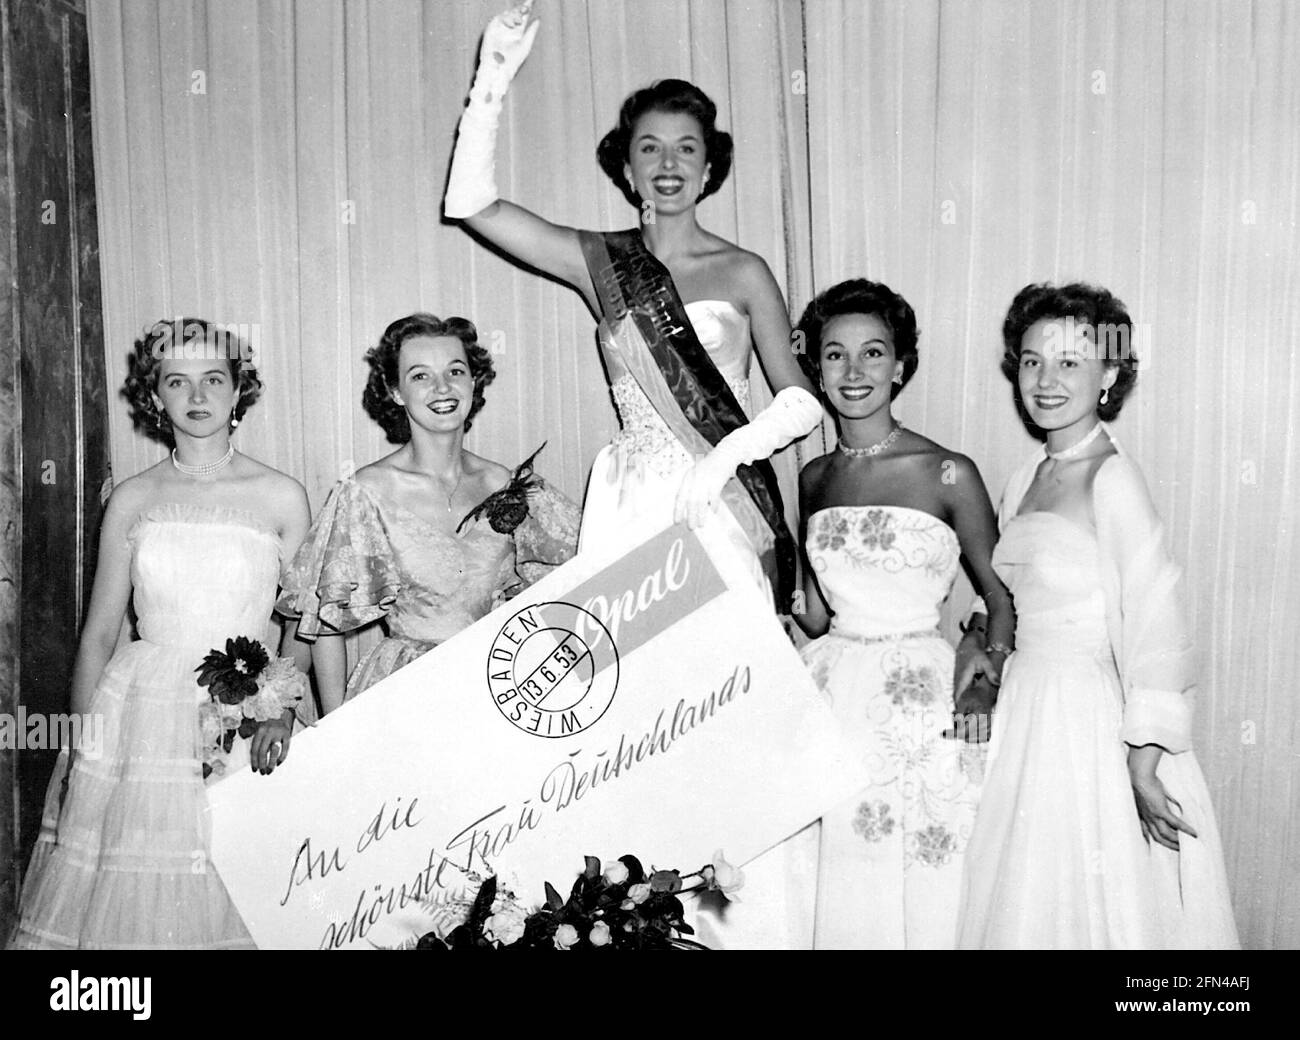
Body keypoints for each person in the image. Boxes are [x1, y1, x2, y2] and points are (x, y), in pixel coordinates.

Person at [442, 0, 822, 611]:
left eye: (686, 149)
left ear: (708, 168)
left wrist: (726, 456)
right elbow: (472, 205)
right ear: (626, 167)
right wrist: (491, 79)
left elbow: (801, 401)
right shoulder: (598, 263)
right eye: (650, 149)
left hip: (724, 492)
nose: (667, 165)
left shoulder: (745, 270)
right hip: (632, 500)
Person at [8, 319, 312, 949]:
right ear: (156, 396)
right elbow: (97, 637)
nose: (197, 397)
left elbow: (304, 622)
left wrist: (282, 709)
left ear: (237, 392)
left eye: (213, 380)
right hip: (139, 714)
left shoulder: (282, 495)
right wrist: (80, 746)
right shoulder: (132, 497)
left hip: (246, 713)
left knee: (240, 878)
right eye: (178, 382)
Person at [956, 283, 1239, 948]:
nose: (1046, 381)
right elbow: (1002, 587)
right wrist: (976, 638)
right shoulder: (1026, 474)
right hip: (1022, 708)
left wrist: (1143, 762)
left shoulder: (1114, 479)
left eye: (1069, 363)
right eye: (1031, 362)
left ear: (1108, 374)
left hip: (1083, 720)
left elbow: (1158, 625)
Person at [792, 279, 1013, 948]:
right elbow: (809, 608)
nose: (854, 372)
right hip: (831, 691)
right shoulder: (812, 478)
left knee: (925, 877)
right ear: (818, 370)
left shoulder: (948, 471)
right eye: (835, 355)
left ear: (901, 365)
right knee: (839, 877)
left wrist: (984, 676)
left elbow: (1001, 597)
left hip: (920, 699)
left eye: (873, 353)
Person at [276, 313, 579, 710]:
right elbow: (327, 621)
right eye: (420, 376)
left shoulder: (508, 484)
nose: (442, 387)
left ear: (474, 380)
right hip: (407, 696)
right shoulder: (367, 491)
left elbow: (584, 567)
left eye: (456, 370)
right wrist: (338, 732)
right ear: (396, 391)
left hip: (501, 685)